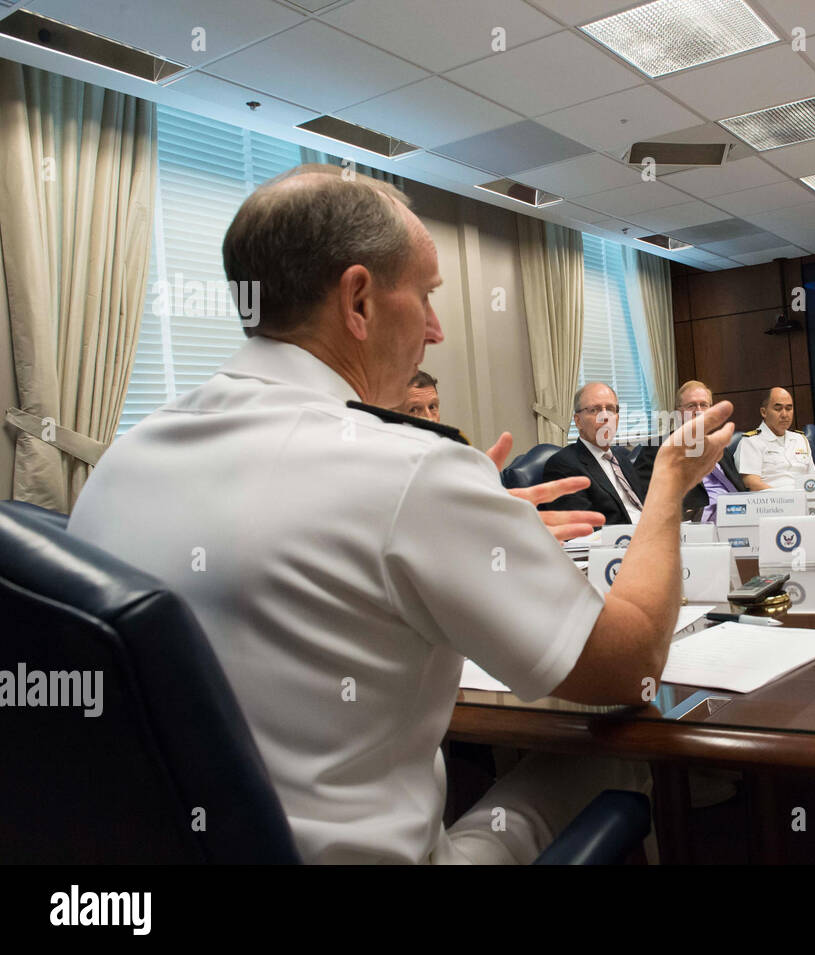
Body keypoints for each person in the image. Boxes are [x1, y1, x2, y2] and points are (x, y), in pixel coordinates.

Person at [68, 165, 736, 864]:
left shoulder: (122, 460)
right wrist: (667, 485)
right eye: (425, 295)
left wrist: (476, 533)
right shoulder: (408, 467)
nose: (437, 330)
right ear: (358, 300)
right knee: (612, 759)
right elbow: (627, 668)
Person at [634, 380, 746, 522]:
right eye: (691, 406)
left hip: (740, 517)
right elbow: (645, 496)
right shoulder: (658, 448)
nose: (698, 411)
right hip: (697, 524)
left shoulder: (719, 445)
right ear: (678, 413)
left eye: (704, 405)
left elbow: (739, 487)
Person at [540, 382, 649, 526]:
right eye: (594, 410)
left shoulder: (622, 459)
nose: (605, 417)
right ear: (578, 421)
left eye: (610, 409)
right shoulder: (562, 466)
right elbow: (582, 531)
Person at [734, 387, 815, 491]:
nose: (785, 414)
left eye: (789, 409)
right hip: (772, 503)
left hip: (805, 499)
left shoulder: (800, 439)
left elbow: (813, 478)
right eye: (778, 409)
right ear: (764, 412)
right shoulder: (751, 442)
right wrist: (789, 499)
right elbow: (752, 483)